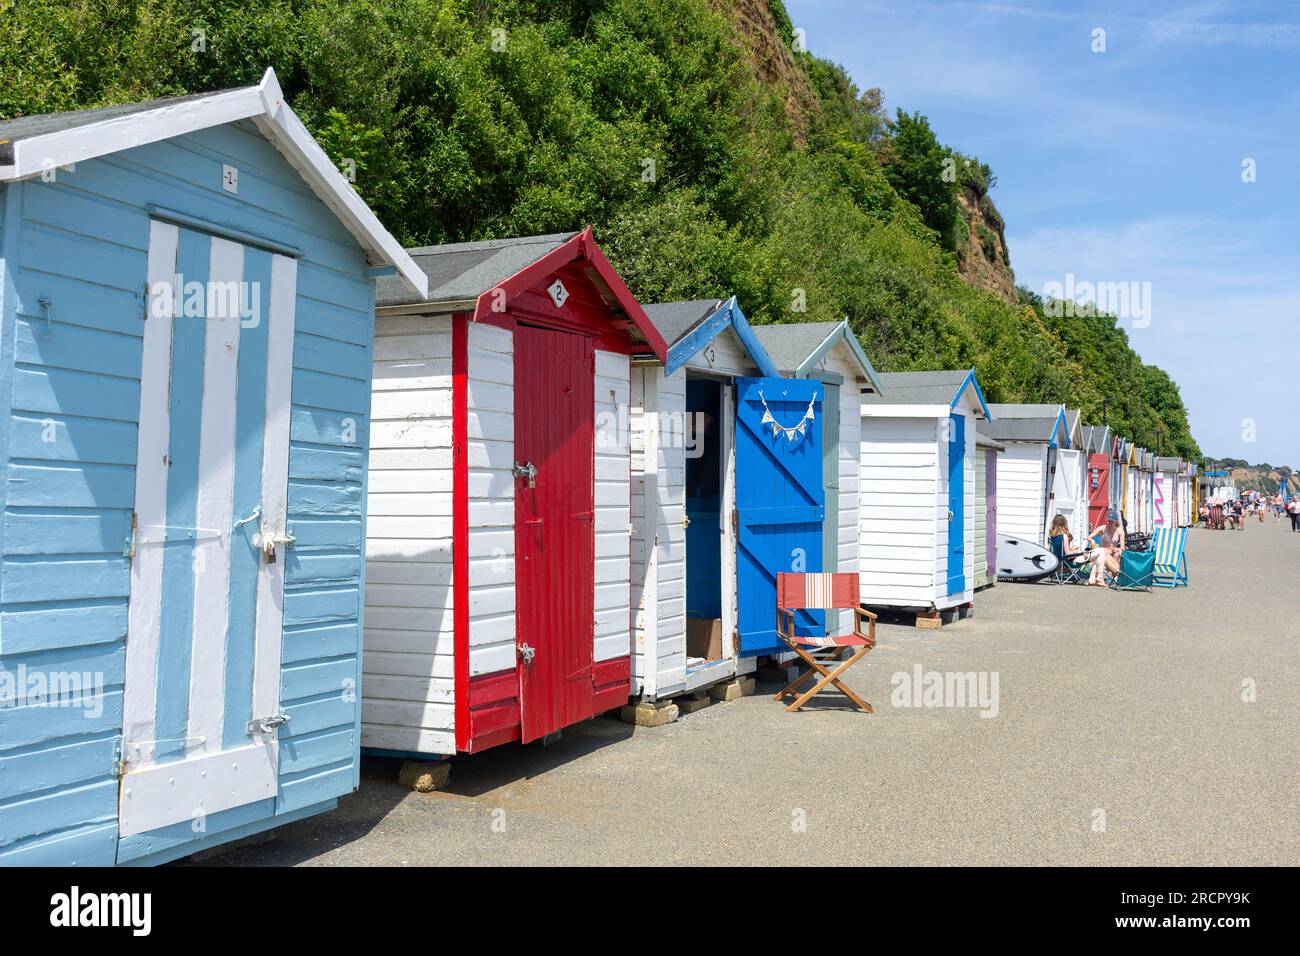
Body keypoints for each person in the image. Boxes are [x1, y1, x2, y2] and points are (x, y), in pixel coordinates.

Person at [1086, 510, 1125, 586]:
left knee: (1118, 553)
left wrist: (1117, 549)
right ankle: (1118, 575)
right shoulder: (1103, 528)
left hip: (1112, 552)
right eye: (1109, 520)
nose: (1110, 522)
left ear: (1116, 521)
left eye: (1112, 521)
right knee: (1104, 553)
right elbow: (1089, 537)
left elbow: (1123, 547)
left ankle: (1115, 578)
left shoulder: (1120, 531)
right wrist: (1092, 541)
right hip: (1103, 550)